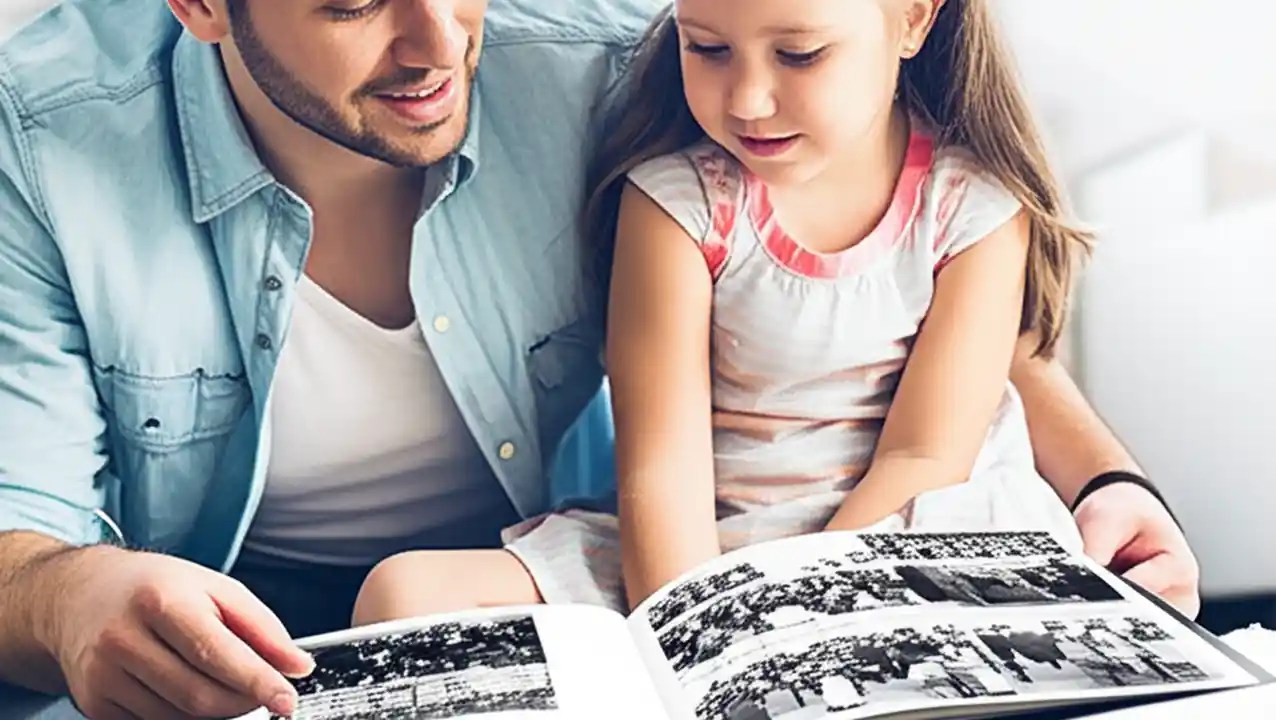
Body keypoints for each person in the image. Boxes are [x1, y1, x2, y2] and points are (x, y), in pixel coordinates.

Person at [0, 0, 1195, 718]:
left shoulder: (622, 52)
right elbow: (19, 532)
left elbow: (921, 317)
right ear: (203, 4)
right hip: (254, 627)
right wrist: (65, 598)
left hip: (601, 589)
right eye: (354, 1)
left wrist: (1105, 481)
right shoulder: (44, 142)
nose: (434, 43)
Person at [351, 0, 1199, 624]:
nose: (748, 99)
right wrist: (692, 629)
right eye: (708, 48)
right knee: (404, 594)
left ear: (911, 20)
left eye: (798, 55)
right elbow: (662, 469)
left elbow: (923, 455)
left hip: (907, 528)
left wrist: (805, 609)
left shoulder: (976, 208)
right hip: (703, 541)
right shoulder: (676, 201)